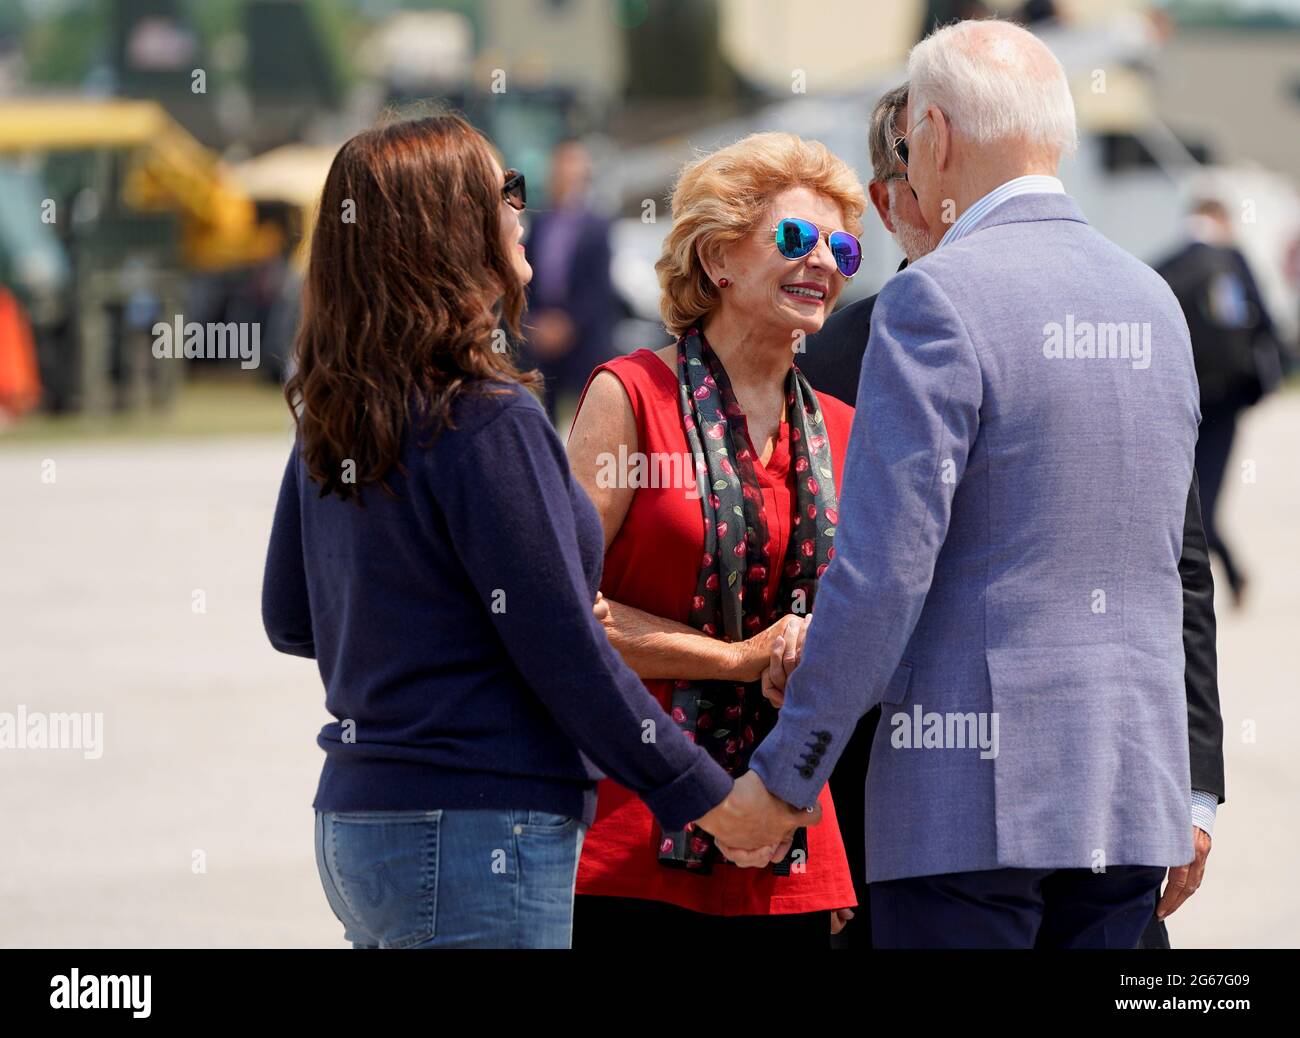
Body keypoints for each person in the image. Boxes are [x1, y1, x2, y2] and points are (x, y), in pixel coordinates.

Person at [713, 20, 1203, 950]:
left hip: (972, 810)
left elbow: (884, 574)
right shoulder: (1151, 299)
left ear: (933, 135)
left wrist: (787, 775)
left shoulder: (935, 297)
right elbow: (1168, 563)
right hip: (1129, 799)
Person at [261, 113, 758, 949]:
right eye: (505, 192)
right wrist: (706, 794)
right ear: (449, 227)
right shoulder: (489, 418)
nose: (521, 210)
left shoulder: (338, 409)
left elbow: (293, 618)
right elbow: (564, 649)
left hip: (359, 819)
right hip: (477, 824)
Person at [564, 131, 864, 949]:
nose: (824, 265)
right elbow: (563, 618)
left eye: (842, 247)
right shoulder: (629, 397)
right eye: (796, 239)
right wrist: (735, 659)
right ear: (718, 259)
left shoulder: (843, 430)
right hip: (633, 836)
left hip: (788, 838)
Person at [1156, 198, 1285, 609]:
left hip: (1180, 399)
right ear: (1222, 222)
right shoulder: (1233, 262)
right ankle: (1216, 581)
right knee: (1203, 501)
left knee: (1185, 495)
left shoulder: (1165, 265)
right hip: (1226, 400)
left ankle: (1219, 577)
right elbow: (1267, 326)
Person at [522, 139, 617, 423]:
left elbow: (599, 286)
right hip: (543, 335)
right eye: (561, 163)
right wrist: (537, 321)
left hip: (583, 336)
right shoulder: (539, 223)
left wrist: (568, 324)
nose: (566, 171)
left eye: (573, 163)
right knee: (545, 414)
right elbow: (530, 277)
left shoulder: (598, 225)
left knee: (586, 415)